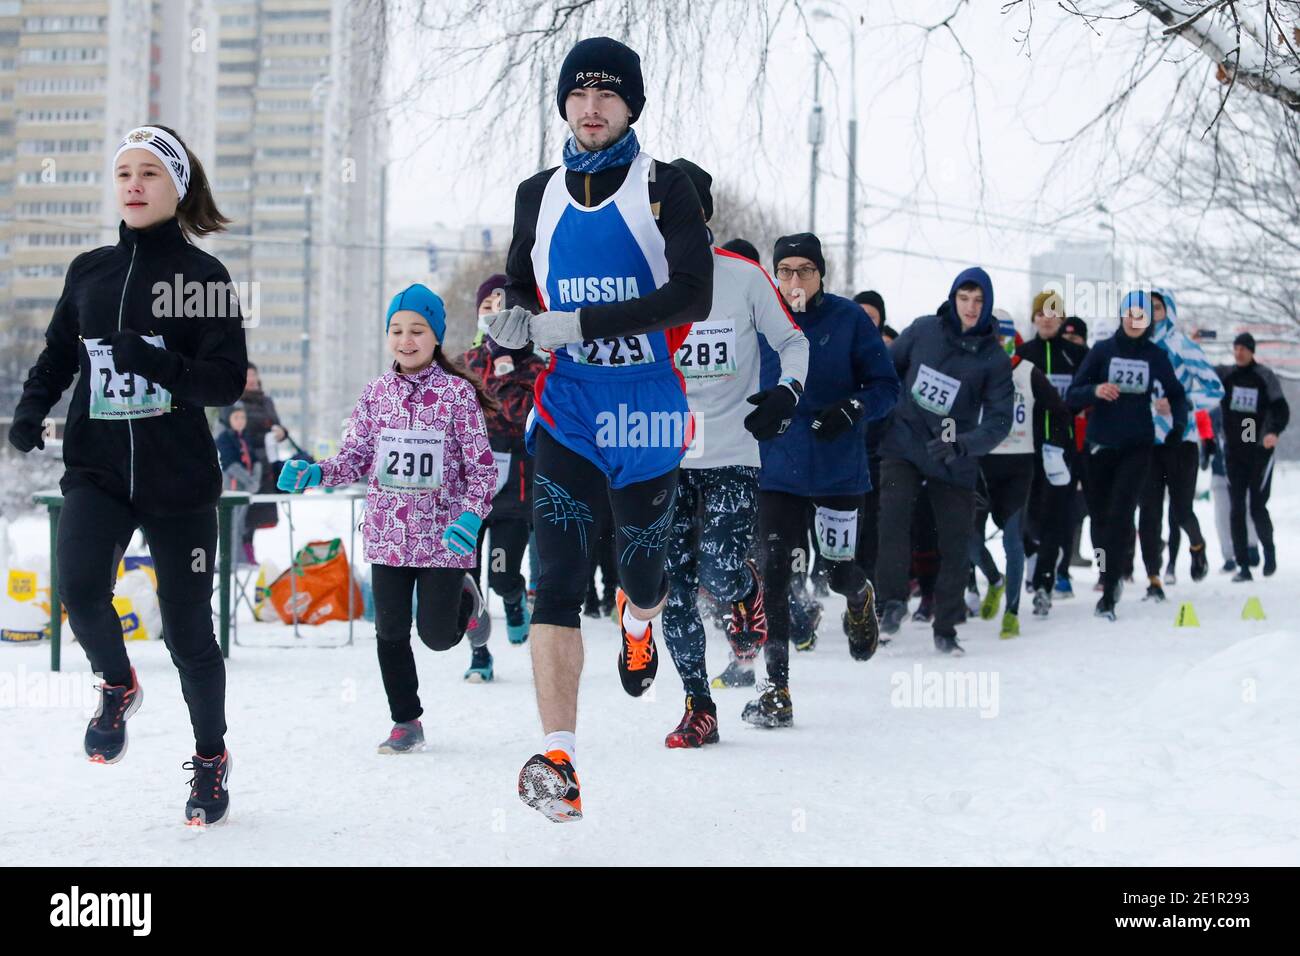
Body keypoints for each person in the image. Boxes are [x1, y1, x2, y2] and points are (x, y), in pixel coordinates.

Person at [487, 37, 713, 821]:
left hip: (645, 408)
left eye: (608, 96)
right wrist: (515, 323)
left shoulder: (666, 187)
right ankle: (560, 759)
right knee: (553, 576)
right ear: (563, 104)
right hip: (571, 409)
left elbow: (690, 295)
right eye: (578, 95)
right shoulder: (535, 193)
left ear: (631, 106)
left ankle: (637, 623)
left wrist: (574, 321)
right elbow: (522, 283)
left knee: (644, 576)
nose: (591, 108)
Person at [7, 125, 246, 825]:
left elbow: (225, 381)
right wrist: (29, 411)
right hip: (98, 468)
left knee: (187, 633)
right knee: (80, 590)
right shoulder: (90, 272)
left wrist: (156, 363)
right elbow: (57, 356)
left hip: (178, 482)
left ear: (177, 187)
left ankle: (210, 760)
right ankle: (116, 683)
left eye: (149, 173)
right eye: (124, 174)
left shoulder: (202, 280)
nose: (134, 185)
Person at [279, 284, 498, 751]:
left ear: (436, 337)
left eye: (417, 330)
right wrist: (315, 472)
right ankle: (406, 721)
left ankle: (467, 603)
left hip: (445, 538)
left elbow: (482, 471)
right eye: (397, 330)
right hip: (388, 533)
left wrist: (470, 518)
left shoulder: (457, 396)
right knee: (390, 630)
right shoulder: (376, 394)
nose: (406, 339)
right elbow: (356, 457)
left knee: (437, 637)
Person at [657, 159, 809, 746]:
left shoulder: (743, 278)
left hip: (733, 451)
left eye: (682, 213)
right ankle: (699, 705)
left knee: (721, 565)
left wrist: (786, 391)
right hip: (664, 454)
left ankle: (744, 596)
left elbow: (792, 341)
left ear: (704, 218)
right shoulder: (645, 284)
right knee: (673, 582)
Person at [744, 232, 898, 726]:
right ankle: (777, 690)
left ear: (820, 275)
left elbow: (886, 388)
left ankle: (860, 596)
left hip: (837, 468)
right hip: (779, 469)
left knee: (837, 572)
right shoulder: (759, 318)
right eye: (784, 270)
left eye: (804, 270)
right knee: (774, 571)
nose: (794, 280)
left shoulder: (849, 320)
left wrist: (853, 408)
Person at [875, 267, 1013, 654]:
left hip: (952, 455)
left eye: (979, 301)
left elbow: (1000, 420)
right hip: (902, 443)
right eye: (964, 298)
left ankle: (946, 626)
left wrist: (963, 444)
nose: (970, 307)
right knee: (892, 519)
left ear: (987, 306)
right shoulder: (923, 330)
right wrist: (880, 416)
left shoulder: (995, 359)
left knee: (956, 540)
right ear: (953, 298)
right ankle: (891, 604)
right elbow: (884, 370)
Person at [1067, 291, 1187, 620]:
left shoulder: (1155, 355)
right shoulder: (1103, 351)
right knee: (1101, 519)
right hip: (1099, 445)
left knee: (1121, 514)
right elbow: (1072, 395)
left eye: (1142, 314)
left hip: (1137, 445)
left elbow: (1178, 396)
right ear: (1122, 315)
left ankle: (1109, 592)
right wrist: (1095, 390)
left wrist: (1177, 429)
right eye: (1130, 313)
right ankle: (1108, 573)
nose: (1135, 320)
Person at [970, 311, 1071, 637]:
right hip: (981, 464)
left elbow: (1059, 411)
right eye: (992, 337)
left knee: (1013, 540)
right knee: (969, 538)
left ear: (1013, 339)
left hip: (1018, 464)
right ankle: (995, 580)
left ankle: (1012, 613)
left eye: (1003, 337)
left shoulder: (1028, 372)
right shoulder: (972, 370)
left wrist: (1053, 447)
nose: (998, 344)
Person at [461, 313, 547, 680]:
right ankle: (479, 653)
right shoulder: (468, 362)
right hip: (468, 489)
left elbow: (523, 415)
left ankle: (513, 599)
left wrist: (502, 373)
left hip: (514, 490)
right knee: (468, 580)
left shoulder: (535, 367)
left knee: (500, 573)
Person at [1136, 289, 1222, 600]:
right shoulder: (1137, 347)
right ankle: (1153, 578)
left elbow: (1216, 390)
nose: (1151, 313)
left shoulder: (1184, 346)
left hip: (1180, 439)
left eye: (1157, 307)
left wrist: (1180, 402)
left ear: (1168, 310)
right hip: (1145, 441)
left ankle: (1197, 547)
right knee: (1148, 513)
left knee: (1182, 510)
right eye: (1146, 308)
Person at [1016, 292, 1089, 604]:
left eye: (1053, 313)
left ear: (1061, 319)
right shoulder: (1022, 353)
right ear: (1034, 318)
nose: (1046, 319)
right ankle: (1032, 556)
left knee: (1056, 516)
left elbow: (1089, 393)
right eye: (1041, 313)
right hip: (1023, 447)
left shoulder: (1077, 355)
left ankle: (1047, 580)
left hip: (1062, 448)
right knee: (1024, 515)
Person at [1216, 332, 1288, 580]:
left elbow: (1281, 409)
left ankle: (1269, 553)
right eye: (1236, 348)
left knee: (1257, 505)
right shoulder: (1226, 375)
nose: (1239, 353)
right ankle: (1243, 566)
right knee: (1236, 507)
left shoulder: (1264, 376)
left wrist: (1273, 432)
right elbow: (1200, 374)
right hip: (1235, 451)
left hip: (1259, 450)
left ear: (1252, 351)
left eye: (1244, 349)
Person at [216, 403, 261, 566]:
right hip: (233, 487)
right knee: (230, 525)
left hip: (246, 487)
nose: (240, 421)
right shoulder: (224, 437)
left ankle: (238, 559)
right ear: (229, 419)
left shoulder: (246, 437)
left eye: (243, 417)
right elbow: (229, 463)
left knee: (240, 525)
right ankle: (227, 561)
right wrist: (250, 482)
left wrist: (255, 477)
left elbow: (255, 460)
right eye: (236, 417)